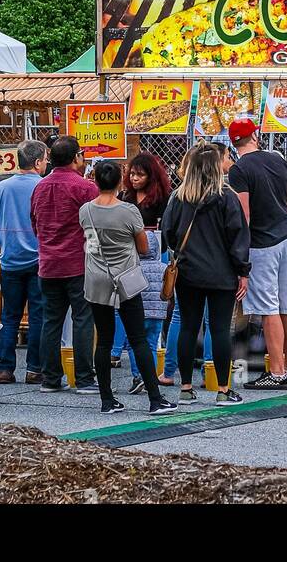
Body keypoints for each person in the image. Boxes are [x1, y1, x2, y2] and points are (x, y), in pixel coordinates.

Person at [81, 161, 177, 415]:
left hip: (96, 277)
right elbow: (144, 247)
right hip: (125, 278)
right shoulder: (129, 211)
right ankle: (155, 399)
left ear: (97, 181)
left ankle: (107, 399)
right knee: (138, 339)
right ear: (118, 182)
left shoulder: (85, 210)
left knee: (103, 339)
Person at [163, 141, 250, 406]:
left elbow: (168, 232)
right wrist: (242, 271)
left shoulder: (179, 197)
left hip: (188, 272)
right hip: (221, 273)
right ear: (215, 168)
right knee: (221, 329)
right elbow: (238, 237)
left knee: (188, 327)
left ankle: (186, 387)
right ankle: (223, 389)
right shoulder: (227, 197)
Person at [227, 117, 287, 391]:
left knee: (268, 308)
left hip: (261, 244)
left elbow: (244, 214)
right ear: (255, 136)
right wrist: (273, 202)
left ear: (233, 143)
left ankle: (276, 372)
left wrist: (239, 254)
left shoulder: (239, 169)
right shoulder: (276, 159)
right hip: (286, 238)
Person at [31, 135, 100, 394]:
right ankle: (83, 377)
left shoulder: (40, 187)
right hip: (78, 262)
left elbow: (35, 222)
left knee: (51, 320)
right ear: (76, 158)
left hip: (48, 262)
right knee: (83, 319)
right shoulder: (85, 188)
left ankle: (50, 378)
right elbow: (94, 225)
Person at [0, 138, 48, 384]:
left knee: (9, 316)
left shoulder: (2, 188)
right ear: (37, 161)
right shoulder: (42, 186)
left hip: (10, 260)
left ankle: (5, 369)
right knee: (38, 315)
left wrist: (3, 243)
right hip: (39, 259)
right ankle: (34, 368)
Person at [110, 153, 172, 370]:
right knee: (124, 306)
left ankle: (143, 367)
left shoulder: (163, 198)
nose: (135, 178)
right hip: (129, 256)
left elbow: (166, 232)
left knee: (151, 311)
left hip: (155, 257)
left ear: (151, 176)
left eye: (140, 175)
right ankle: (116, 351)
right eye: (132, 174)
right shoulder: (126, 197)